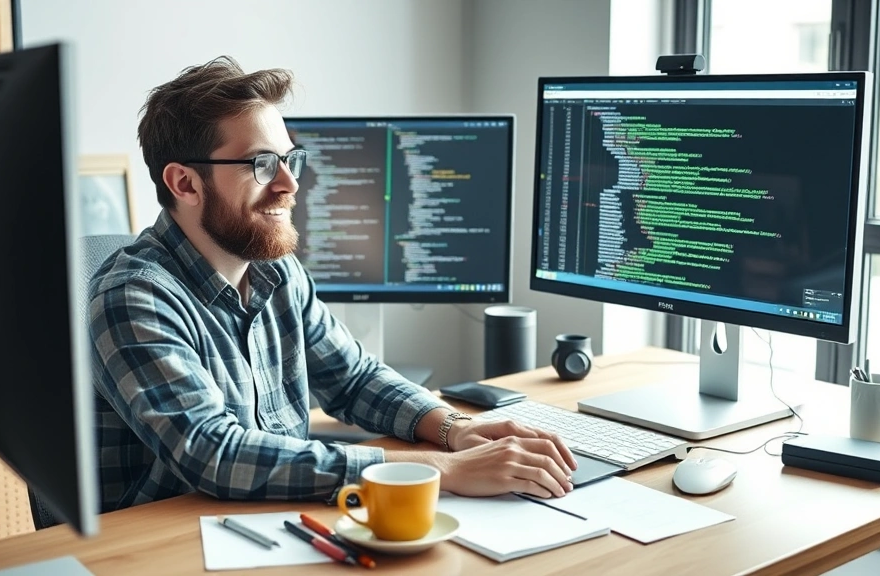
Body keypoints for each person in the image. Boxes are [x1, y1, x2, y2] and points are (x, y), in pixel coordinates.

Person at [88, 56, 577, 513]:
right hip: (171, 540)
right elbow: (212, 454)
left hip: (278, 516)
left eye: (290, 160)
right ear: (185, 184)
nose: (290, 184)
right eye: (261, 164)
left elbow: (353, 379)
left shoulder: (275, 271)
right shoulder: (133, 297)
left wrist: (456, 429)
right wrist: (440, 470)